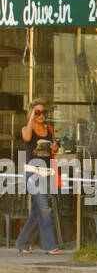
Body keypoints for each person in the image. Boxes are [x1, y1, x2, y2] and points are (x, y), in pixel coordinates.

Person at [16, 100, 60, 255]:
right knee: (44, 209)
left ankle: (23, 242)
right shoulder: (26, 129)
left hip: (46, 174)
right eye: (37, 112)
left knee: (36, 211)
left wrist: (55, 147)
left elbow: (53, 150)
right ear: (32, 113)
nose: (41, 115)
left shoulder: (48, 129)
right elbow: (27, 138)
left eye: (43, 112)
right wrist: (30, 118)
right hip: (32, 174)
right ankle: (49, 246)